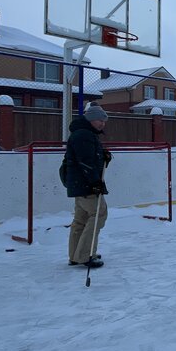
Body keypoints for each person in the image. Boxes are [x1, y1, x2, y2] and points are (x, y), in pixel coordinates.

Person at [62, 103, 112, 269]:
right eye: (100, 120)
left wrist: (103, 156)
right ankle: (85, 254)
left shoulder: (83, 134)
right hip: (85, 185)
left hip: (78, 184)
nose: (102, 124)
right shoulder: (84, 135)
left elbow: (89, 157)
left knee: (81, 220)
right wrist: (95, 183)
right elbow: (86, 162)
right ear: (91, 119)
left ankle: (75, 255)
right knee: (99, 215)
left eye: (104, 121)